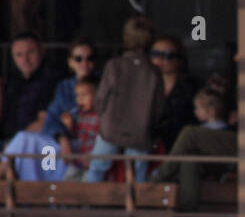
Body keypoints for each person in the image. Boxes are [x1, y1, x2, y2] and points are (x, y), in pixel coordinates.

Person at [2, 36, 95, 181]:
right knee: (36, 146)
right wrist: (62, 137)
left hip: (85, 141)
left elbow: (44, 120)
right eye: (78, 59)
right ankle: (29, 192)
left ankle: (45, 192)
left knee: (33, 145)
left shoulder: (102, 84)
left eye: (89, 58)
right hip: (61, 140)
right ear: (71, 62)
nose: (84, 63)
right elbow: (52, 117)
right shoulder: (65, 86)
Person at [86, 15, 163, 183]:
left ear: (126, 38)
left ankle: (87, 204)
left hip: (111, 128)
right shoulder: (154, 72)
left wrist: (102, 114)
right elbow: (158, 108)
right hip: (140, 132)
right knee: (137, 173)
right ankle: (137, 207)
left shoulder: (114, 65)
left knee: (97, 169)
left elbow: (101, 99)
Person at [149, 87, 235, 210]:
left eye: (198, 108)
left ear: (210, 111)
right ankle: (187, 213)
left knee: (188, 133)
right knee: (189, 161)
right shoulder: (204, 132)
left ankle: (158, 177)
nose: (195, 112)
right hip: (210, 164)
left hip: (223, 164)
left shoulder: (216, 133)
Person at [1, 31, 62, 142]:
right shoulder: (12, 80)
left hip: (35, 145)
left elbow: (44, 121)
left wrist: (14, 146)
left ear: (42, 51)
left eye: (31, 52)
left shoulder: (52, 80)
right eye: (19, 55)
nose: (25, 60)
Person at [150, 35, 196, 154]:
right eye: (155, 54)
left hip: (181, 148)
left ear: (179, 59)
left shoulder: (191, 87)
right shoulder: (144, 85)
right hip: (151, 150)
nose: (159, 60)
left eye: (167, 55)